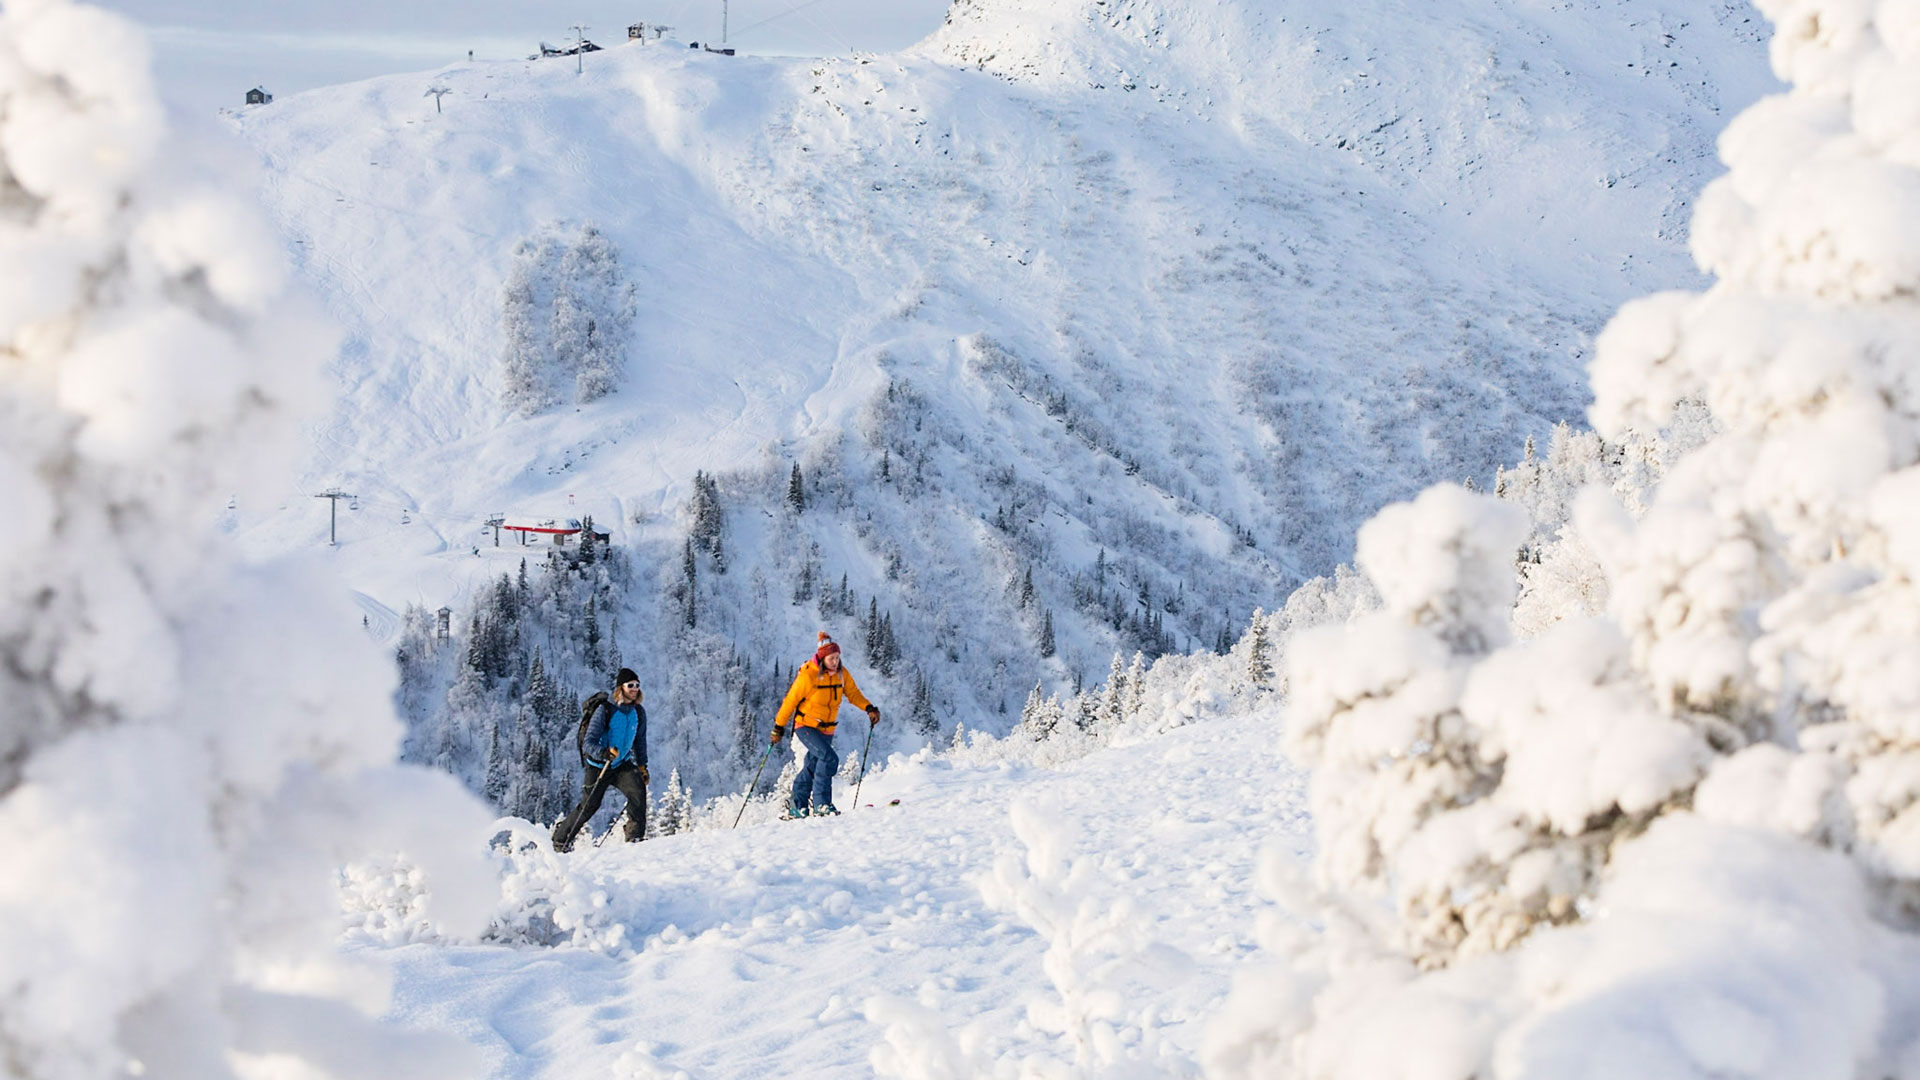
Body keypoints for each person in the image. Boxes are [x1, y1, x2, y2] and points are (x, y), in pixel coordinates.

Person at [771, 632, 879, 817]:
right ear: (822, 658)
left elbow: (853, 694)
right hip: (806, 726)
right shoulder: (808, 676)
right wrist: (778, 727)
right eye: (831, 658)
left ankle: (798, 806)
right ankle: (822, 804)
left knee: (812, 766)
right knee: (829, 759)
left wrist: (868, 708)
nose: (835, 662)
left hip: (827, 729)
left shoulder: (841, 674)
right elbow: (790, 702)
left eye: (837, 657)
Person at [552, 668, 649, 852]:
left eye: (637, 685)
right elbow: (588, 743)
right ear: (621, 687)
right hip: (599, 766)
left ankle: (634, 838)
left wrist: (643, 766)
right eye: (630, 685)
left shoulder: (638, 712)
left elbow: (640, 741)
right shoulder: (605, 710)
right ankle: (560, 840)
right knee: (589, 806)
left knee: (638, 793)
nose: (634, 689)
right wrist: (604, 753)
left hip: (621, 764)